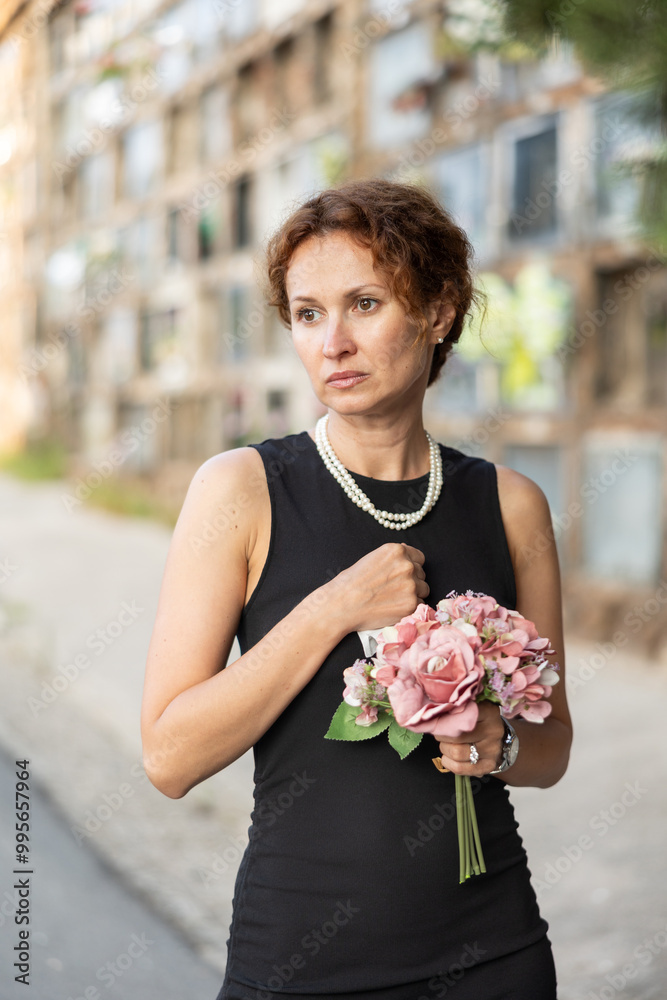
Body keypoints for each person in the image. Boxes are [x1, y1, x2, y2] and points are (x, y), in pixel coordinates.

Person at [141, 178, 572, 1000]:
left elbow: (551, 750)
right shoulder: (240, 490)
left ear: (438, 312)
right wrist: (332, 608)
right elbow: (169, 757)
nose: (331, 342)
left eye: (364, 304)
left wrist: (497, 742)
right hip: (300, 960)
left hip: (493, 956)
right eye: (307, 314)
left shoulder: (511, 506)